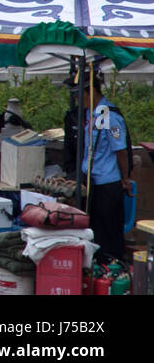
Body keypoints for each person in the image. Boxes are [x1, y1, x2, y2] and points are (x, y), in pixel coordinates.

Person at [79, 64, 134, 264]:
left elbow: (121, 152)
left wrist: (125, 178)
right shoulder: (88, 114)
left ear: (91, 91)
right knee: (93, 232)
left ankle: (113, 270)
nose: (78, 100)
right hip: (91, 181)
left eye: (80, 95)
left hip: (108, 183)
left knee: (108, 233)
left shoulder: (110, 115)